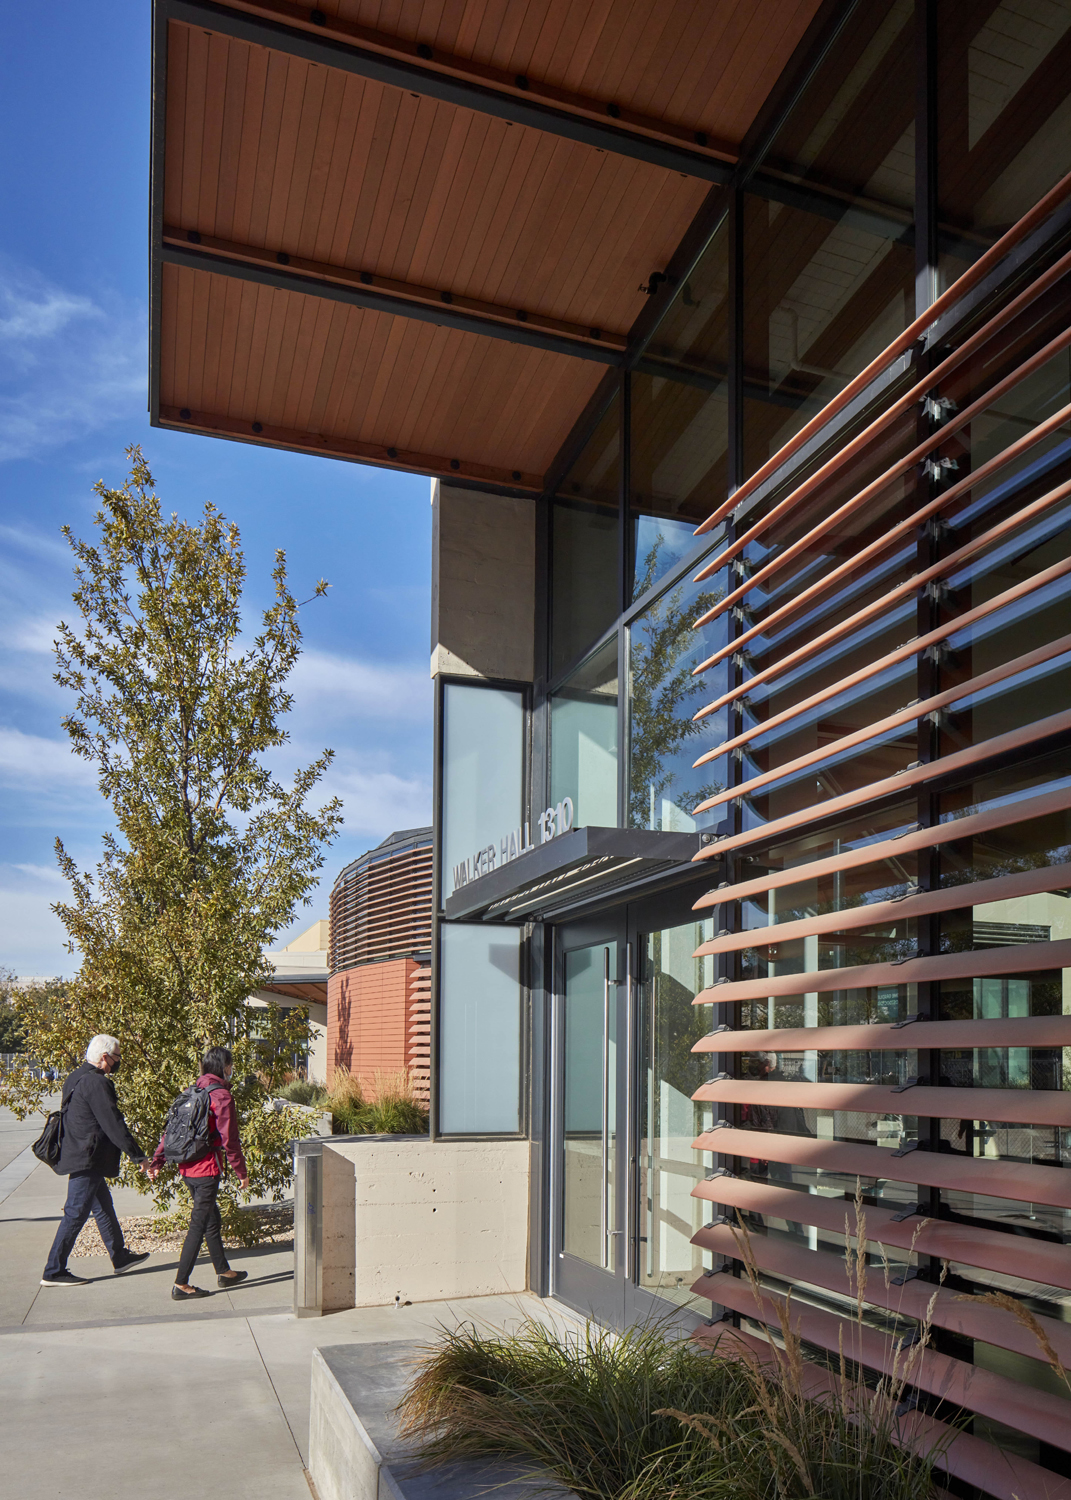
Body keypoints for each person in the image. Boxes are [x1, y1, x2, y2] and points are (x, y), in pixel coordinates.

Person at [40, 1034, 152, 1287]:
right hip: (87, 1157)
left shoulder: (74, 1077)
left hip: (79, 1153)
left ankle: (120, 1257)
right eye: (117, 1057)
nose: (118, 1062)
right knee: (76, 1213)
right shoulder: (97, 1083)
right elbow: (113, 1123)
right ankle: (53, 1270)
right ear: (104, 1058)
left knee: (103, 1206)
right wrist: (138, 1155)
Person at [148, 1045, 250, 1299]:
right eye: (230, 1065)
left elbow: (171, 1132)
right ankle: (181, 1284)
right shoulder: (221, 1097)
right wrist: (241, 1171)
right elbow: (230, 1140)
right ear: (224, 1067)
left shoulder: (190, 1092)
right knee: (199, 1223)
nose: (231, 1070)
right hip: (207, 1169)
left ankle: (224, 1272)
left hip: (187, 1168)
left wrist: (157, 1161)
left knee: (211, 1218)